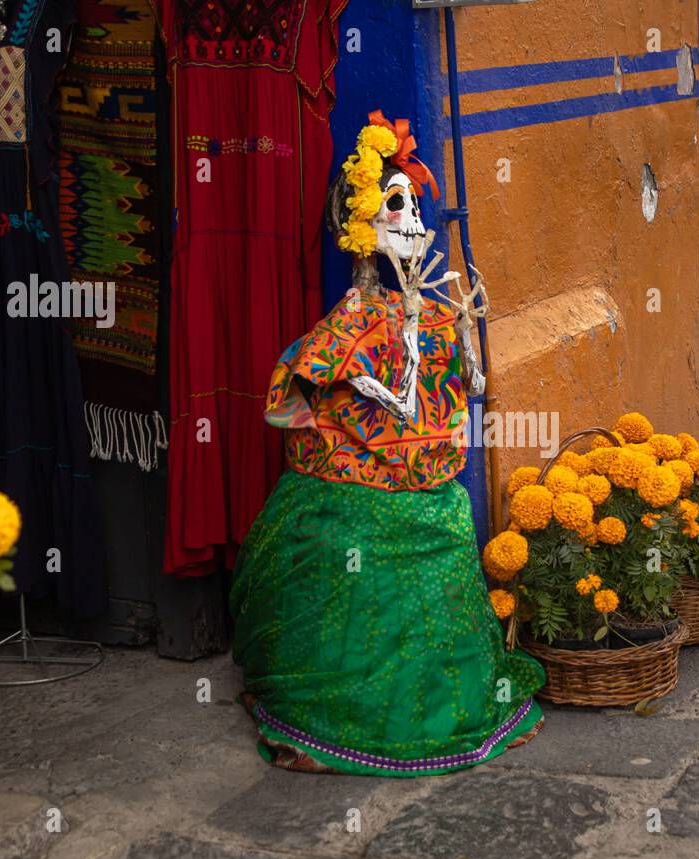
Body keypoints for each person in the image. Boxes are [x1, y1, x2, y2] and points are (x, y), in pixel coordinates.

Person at [229, 113, 545, 776]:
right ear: (363, 223)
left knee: (444, 521)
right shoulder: (350, 323)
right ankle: (329, 720)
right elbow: (296, 393)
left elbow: (462, 389)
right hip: (355, 493)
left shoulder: (437, 313)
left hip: (431, 491)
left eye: (414, 205)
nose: (409, 218)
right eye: (393, 204)